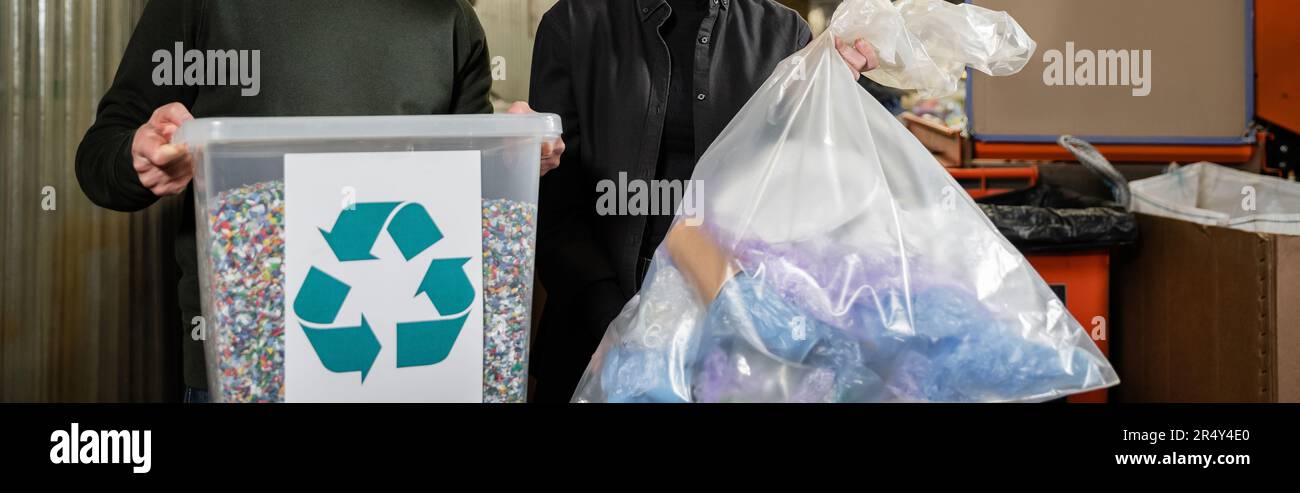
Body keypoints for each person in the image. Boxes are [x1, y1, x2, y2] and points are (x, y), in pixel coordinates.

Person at [76, 0, 562, 402]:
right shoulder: (203, 5)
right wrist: (138, 157)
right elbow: (99, 156)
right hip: (250, 358)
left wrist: (511, 154)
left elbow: (465, 188)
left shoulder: (449, 18)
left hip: (414, 363)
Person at [527, 0, 878, 402]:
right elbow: (551, 200)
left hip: (736, 332)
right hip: (595, 329)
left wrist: (837, 94)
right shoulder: (574, 24)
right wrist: (615, 319)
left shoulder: (784, 34)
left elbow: (799, 191)